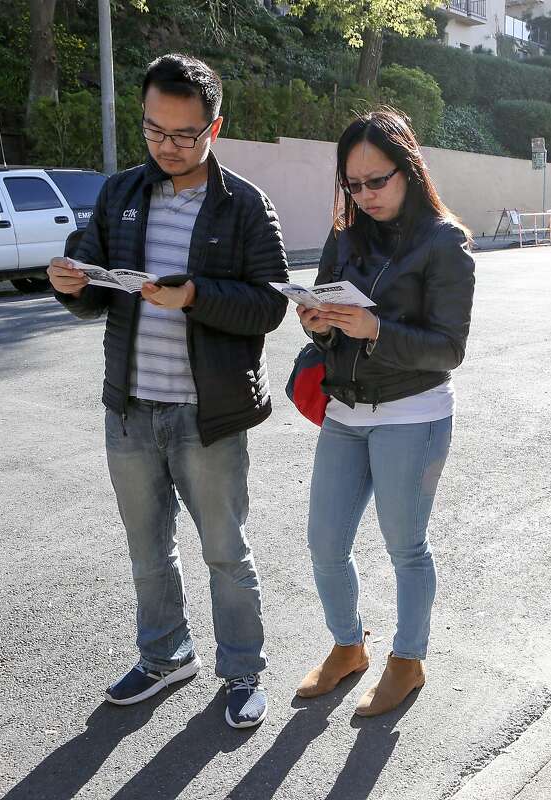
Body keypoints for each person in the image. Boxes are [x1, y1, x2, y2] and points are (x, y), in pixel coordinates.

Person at [46, 53, 290, 728]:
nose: (168, 146)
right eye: (155, 130)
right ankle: (164, 657)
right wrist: (72, 285)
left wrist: (195, 297)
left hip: (207, 414)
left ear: (217, 126)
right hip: (128, 407)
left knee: (224, 549)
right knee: (147, 549)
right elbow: (95, 290)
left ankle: (242, 672)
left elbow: (269, 305)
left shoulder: (244, 205)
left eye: (185, 134)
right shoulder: (122, 193)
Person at [294, 109, 475, 717]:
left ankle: (408, 660)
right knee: (324, 542)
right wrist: (318, 326)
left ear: (410, 170)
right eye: (353, 183)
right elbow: (323, 320)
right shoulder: (344, 235)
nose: (365, 195)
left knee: (405, 545)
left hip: (413, 413)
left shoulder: (445, 243)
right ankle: (348, 647)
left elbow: (449, 347)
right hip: (346, 412)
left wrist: (375, 329)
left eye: (378, 181)